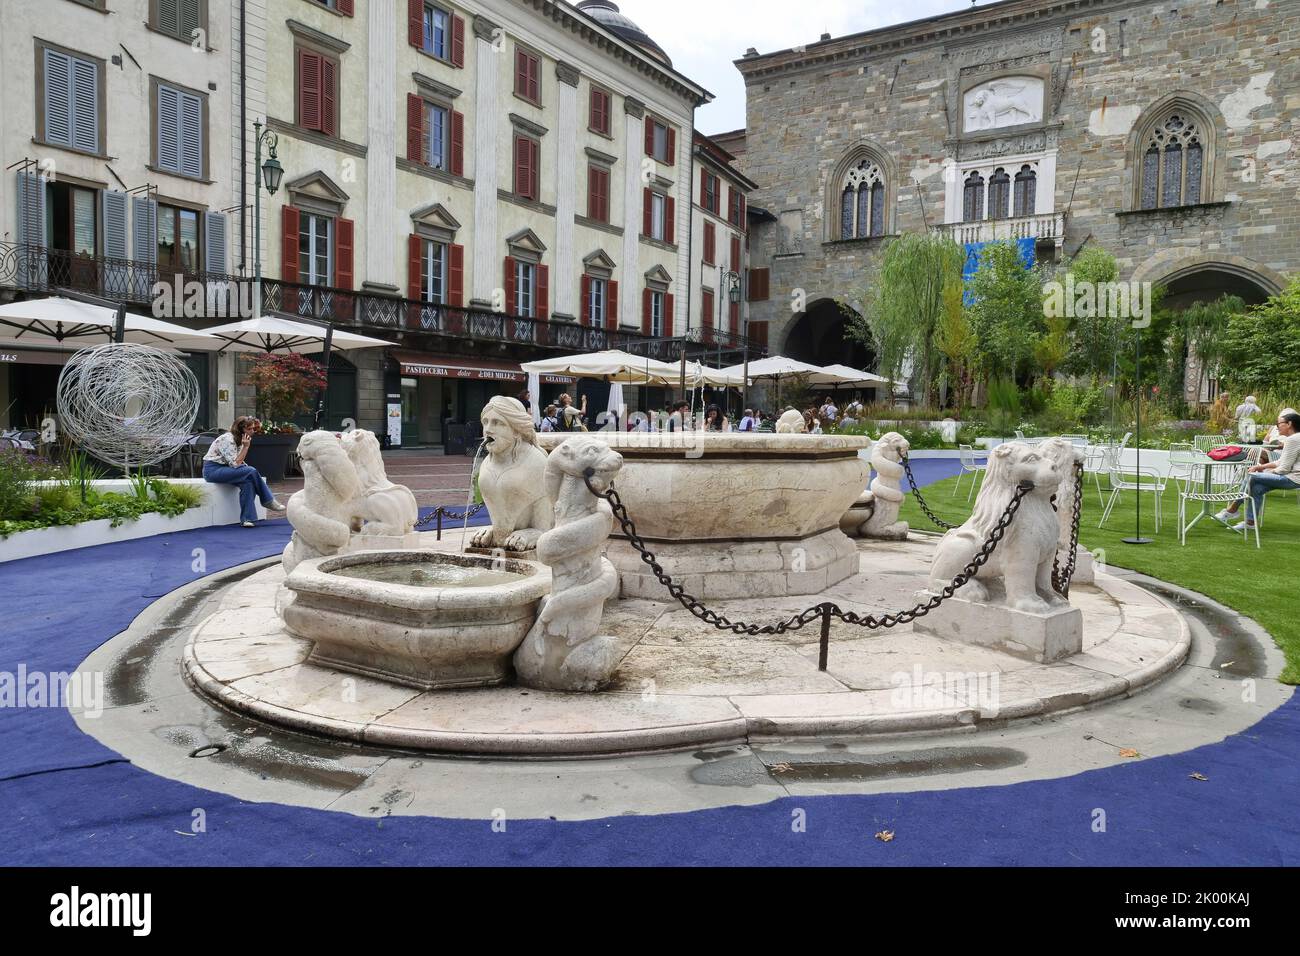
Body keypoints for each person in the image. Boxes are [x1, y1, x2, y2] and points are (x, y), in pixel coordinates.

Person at [1213, 411, 1300, 533]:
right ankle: (1250, 522)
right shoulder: (1295, 438)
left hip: (1293, 478)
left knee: (1251, 477)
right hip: (1291, 477)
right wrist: (1260, 468)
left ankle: (1232, 509)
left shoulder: (1293, 440)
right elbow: (1280, 462)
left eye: (1278, 423)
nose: (1276, 426)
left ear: (1289, 424)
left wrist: (1261, 474)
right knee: (1257, 488)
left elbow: (1283, 469)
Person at [203, 416, 286, 527]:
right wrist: (246, 447)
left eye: (253, 429)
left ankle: (247, 519)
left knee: (248, 482)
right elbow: (236, 464)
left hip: (227, 469)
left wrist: (244, 446)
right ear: (241, 429)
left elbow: (238, 463)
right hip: (213, 470)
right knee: (251, 471)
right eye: (250, 429)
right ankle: (268, 500)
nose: (253, 431)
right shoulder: (227, 439)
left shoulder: (240, 440)